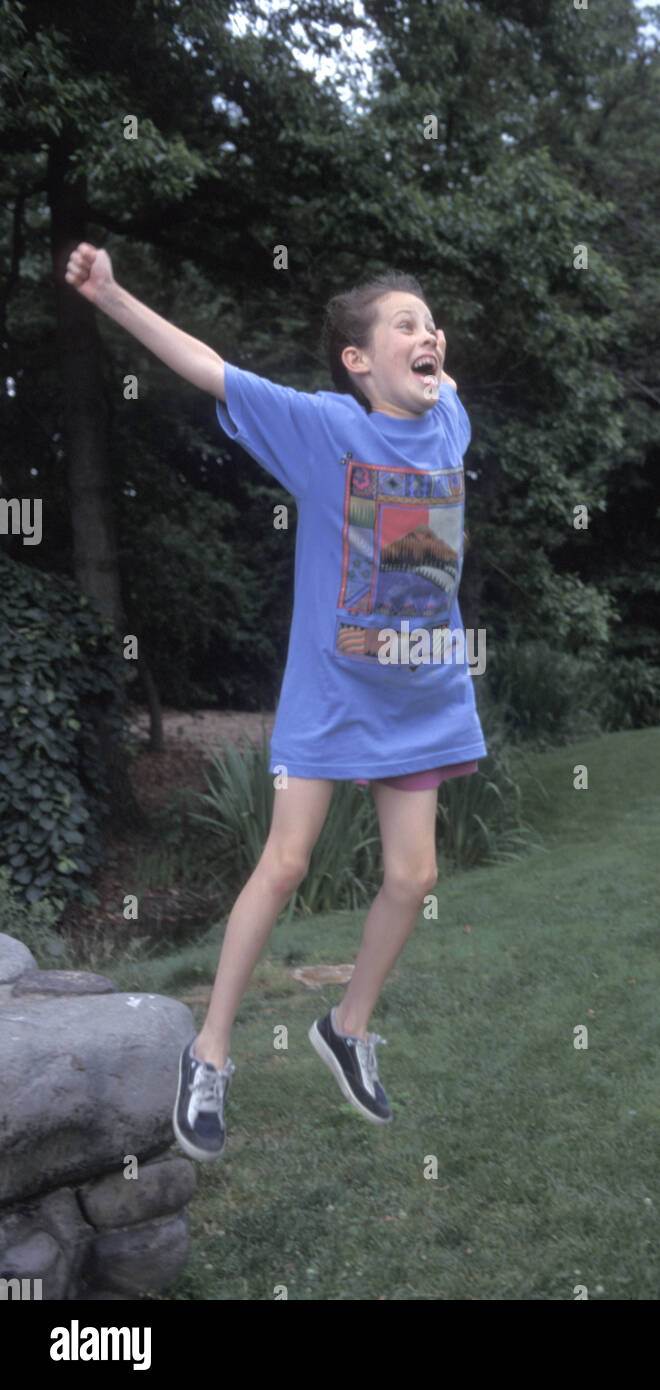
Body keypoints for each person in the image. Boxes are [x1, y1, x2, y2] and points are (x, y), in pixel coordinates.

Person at [65, 243, 487, 1159]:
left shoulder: (449, 417)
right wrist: (111, 296)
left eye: (432, 324)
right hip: (333, 695)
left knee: (414, 879)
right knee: (287, 863)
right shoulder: (320, 428)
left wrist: (425, 364)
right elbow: (207, 368)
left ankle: (346, 1026)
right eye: (403, 326)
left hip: (423, 692)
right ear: (354, 360)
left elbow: (436, 382)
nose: (428, 337)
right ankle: (210, 1050)